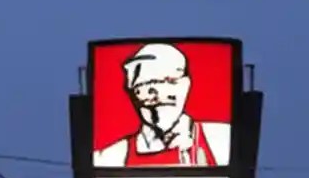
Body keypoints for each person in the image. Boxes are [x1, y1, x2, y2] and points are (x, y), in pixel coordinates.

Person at [94, 43, 231, 167]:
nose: (157, 95)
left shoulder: (223, 138)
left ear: (186, 85)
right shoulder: (110, 158)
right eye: (143, 86)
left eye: (169, 81)